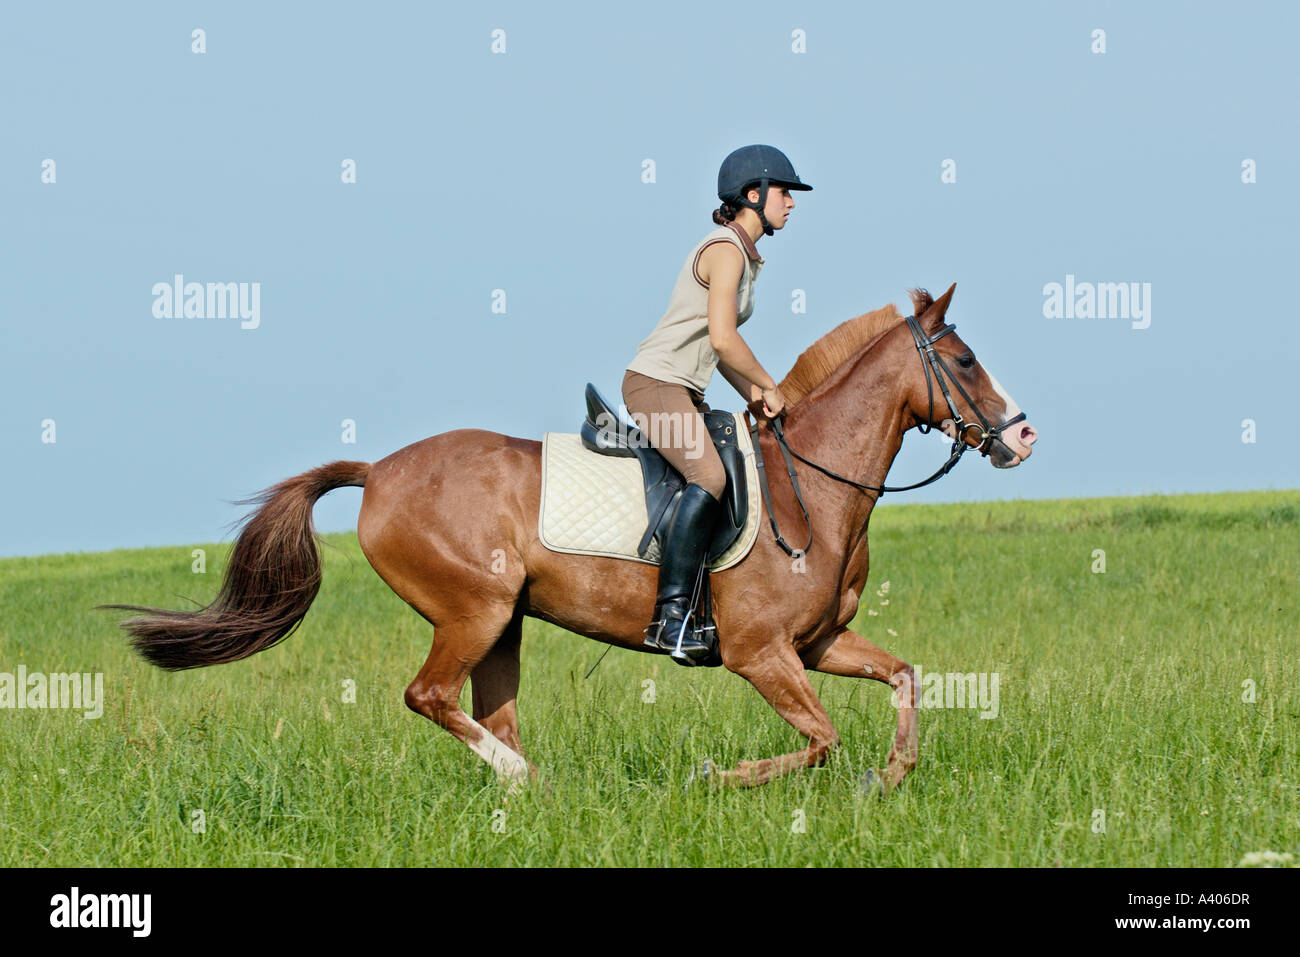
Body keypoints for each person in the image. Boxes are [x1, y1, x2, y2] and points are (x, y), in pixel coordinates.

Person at [622, 144, 812, 663]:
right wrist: (769, 383)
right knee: (709, 477)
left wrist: (754, 396)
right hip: (655, 385)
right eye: (784, 192)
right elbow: (726, 340)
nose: (791, 203)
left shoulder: (744, 255)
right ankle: (672, 618)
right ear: (754, 195)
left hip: (684, 389)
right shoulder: (726, 251)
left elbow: (715, 346)